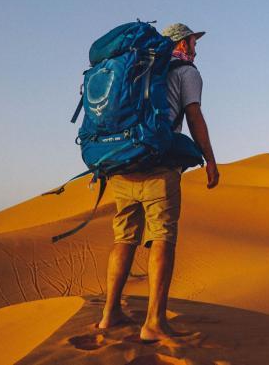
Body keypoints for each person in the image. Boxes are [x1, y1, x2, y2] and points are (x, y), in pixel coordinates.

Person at [97, 22, 220, 341]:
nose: (196, 47)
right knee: (162, 237)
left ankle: (109, 314)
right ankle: (154, 322)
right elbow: (194, 117)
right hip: (159, 165)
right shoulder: (186, 72)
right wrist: (210, 160)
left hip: (122, 164)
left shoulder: (136, 68)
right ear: (183, 43)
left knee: (124, 238)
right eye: (193, 41)